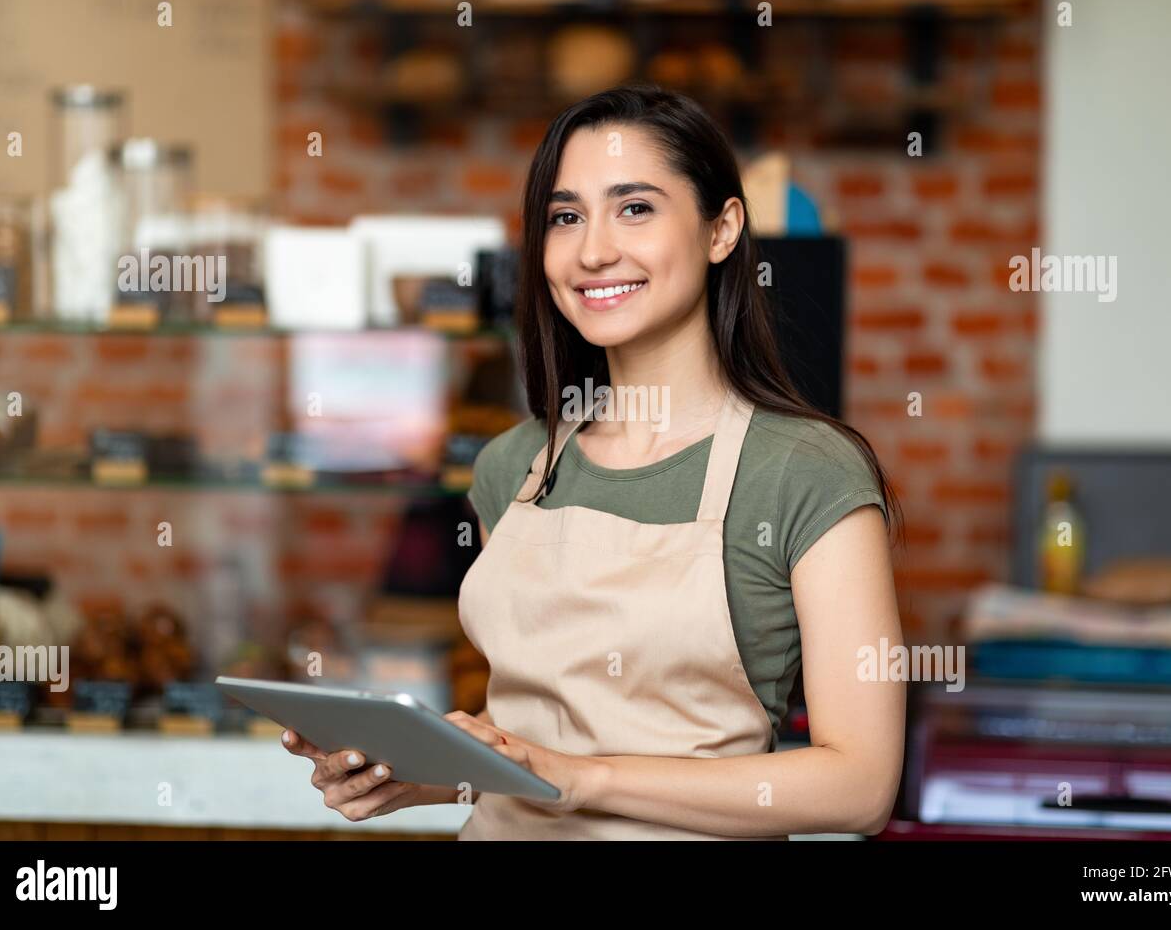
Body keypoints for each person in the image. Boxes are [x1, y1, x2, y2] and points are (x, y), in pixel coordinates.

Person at [284, 84, 905, 839]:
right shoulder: (513, 465)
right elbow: (543, 726)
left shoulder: (806, 472)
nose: (593, 250)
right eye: (566, 216)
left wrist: (584, 781)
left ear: (722, 229)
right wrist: (427, 767)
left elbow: (860, 784)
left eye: (635, 207)